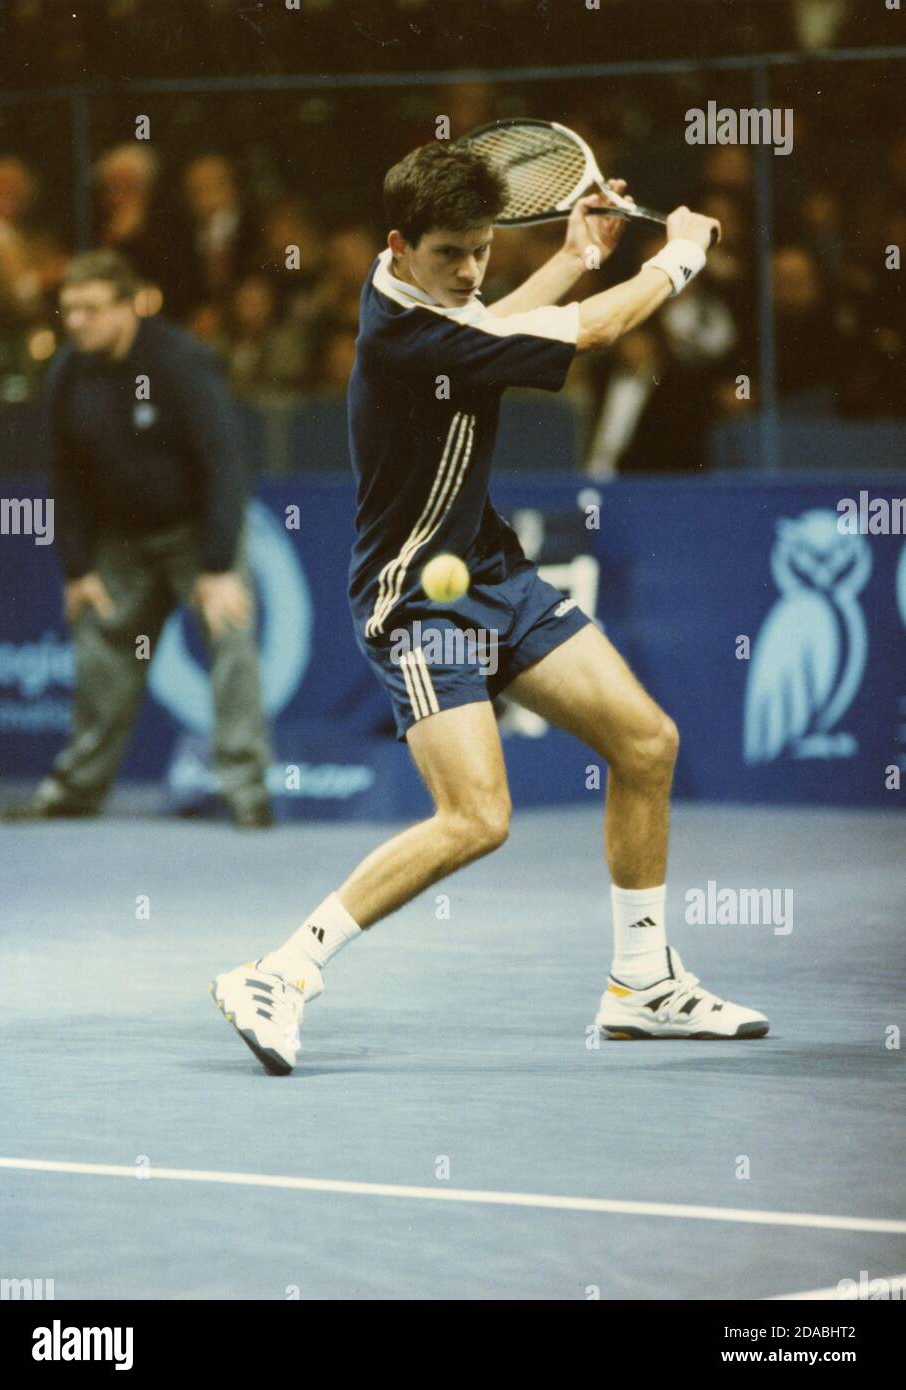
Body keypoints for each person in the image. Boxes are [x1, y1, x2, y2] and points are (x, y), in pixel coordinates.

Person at [212, 141, 768, 1073]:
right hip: (416, 600)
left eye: (482, 249)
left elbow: (493, 326)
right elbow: (585, 334)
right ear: (399, 244)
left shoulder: (429, 302)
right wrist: (675, 258)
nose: (472, 270)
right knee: (477, 818)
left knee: (646, 743)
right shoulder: (402, 333)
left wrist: (575, 250)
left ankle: (642, 984)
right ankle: (279, 972)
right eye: (453, 255)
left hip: (492, 573)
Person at [1, 250, 273, 829]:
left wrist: (219, 567)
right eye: (69, 309)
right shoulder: (69, 373)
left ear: (130, 307)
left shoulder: (181, 362)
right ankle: (76, 790)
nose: (75, 323)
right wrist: (78, 570)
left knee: (230, 639)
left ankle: (246, 791)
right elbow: (65, 479)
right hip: (121, 545)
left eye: (91, 310)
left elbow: (224, 464)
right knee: (100, 648)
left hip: (196, 537)